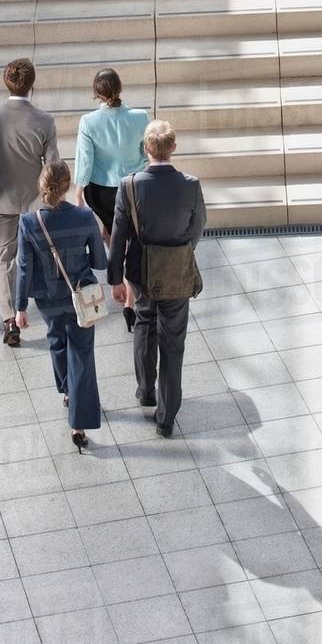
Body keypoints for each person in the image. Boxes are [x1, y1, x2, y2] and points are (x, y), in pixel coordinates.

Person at [108, 120, 207, 438]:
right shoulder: (191, 185)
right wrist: (178, 253)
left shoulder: (129, 185)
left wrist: (115, 278)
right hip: (176, 272)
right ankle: (166, 417)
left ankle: (145, 390)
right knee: (173, 341)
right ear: (173, 147)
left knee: (144, 324)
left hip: (140, 271)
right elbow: (196, 229)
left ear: (146, 149)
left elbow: (119, 236)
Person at [15, 161, 105, 451]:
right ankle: (78, 423)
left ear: (42, 186)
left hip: (47, 297)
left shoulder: (29, 222)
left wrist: (19, 308)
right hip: (80, 295)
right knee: (82, 351)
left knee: (56, 341)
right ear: (66, 186)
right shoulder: (85, 215)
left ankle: (68, 391)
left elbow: (24, 269)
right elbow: (100, 261)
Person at [0, 57, 58, 347]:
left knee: (3, 257)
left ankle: (10, 320)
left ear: (5, 81)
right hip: (36, 200)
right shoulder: (45, 120)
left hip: (1, 197)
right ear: (32, 85)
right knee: (40, 255)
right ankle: (46, 310)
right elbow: (52, 165)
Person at [73, 68, 148, 333]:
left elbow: (85, 159)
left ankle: (124, 286)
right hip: (133, 185)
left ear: (96, 93)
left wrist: (79, 190)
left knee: (115, 234)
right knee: (128, 237)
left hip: (102, 190)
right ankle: (129, 295)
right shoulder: (140, 117)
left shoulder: (88, 121)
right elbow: (145, 152)